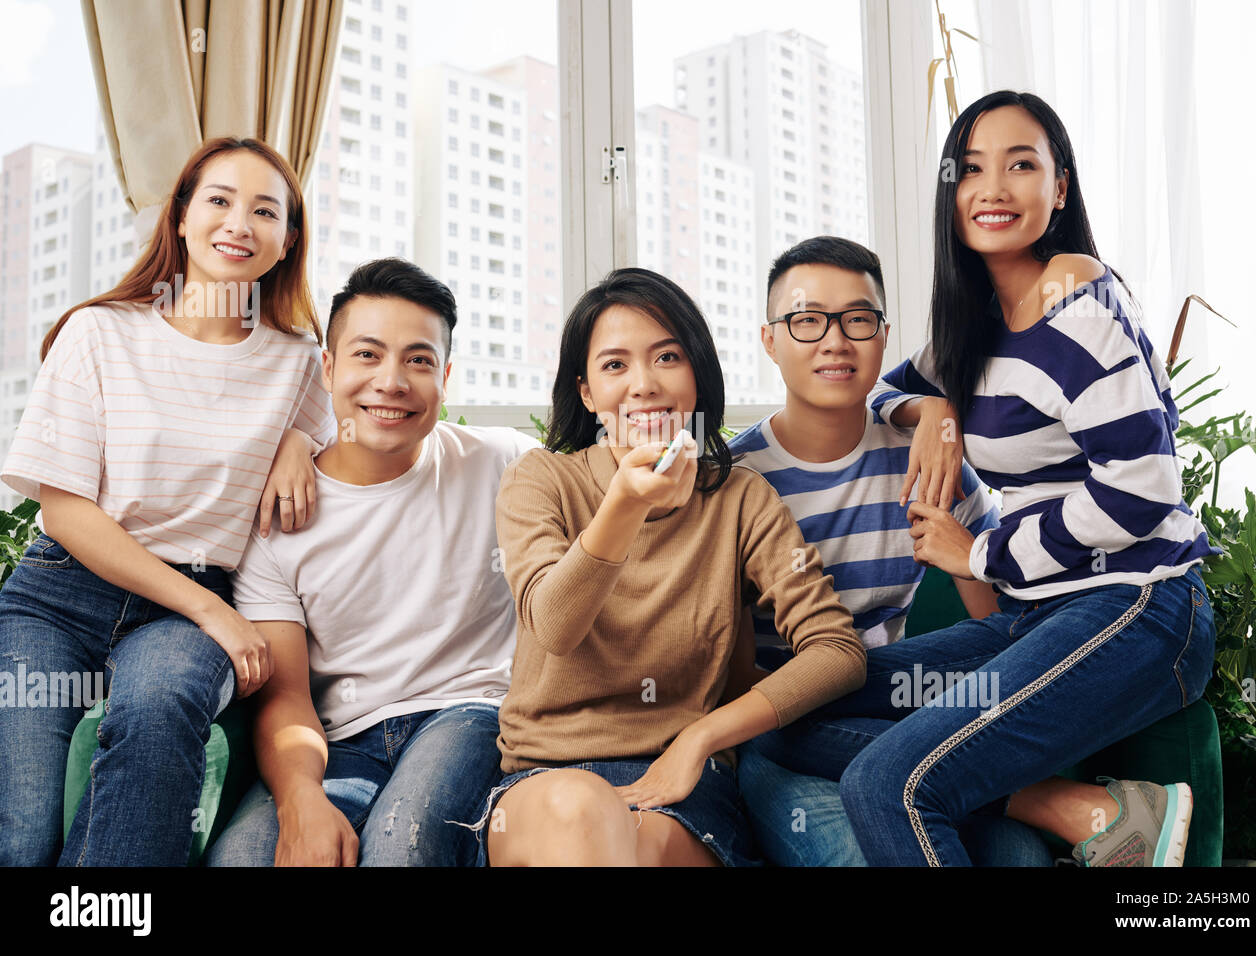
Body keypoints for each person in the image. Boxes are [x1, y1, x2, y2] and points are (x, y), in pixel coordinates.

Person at [832, 90, 1216, 866]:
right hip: (1039, 619)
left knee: (888, 784)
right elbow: (881, 391)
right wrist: (938, 410)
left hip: (1138, 607)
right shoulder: (973, 330)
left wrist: (979, 556)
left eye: (1021, 165)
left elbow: (1144, 491)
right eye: (971, 169)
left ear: (1060, 188)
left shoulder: (1077, 304)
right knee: (812, 701)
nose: (993, 189)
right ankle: (1093, 813)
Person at [0, 138, 333, 866]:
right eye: (218, 200)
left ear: (288, 240)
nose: (238, 223)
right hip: (62, 592)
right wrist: (217, 614)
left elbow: (339, 436)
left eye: (265, 210)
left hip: (183, 612)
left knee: (158, 713)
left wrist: (299, 442)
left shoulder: (301, 362)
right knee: (20, 835)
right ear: (181, 218)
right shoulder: (99, 332)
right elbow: (65, 511)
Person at [478, 267, 867, 867]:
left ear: (696, 374)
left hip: (684, 780)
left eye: (667, 357)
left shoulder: (741, 498)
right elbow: (554, 626)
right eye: (614, 366)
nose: (644, 385)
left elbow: (836, 651)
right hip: (546, 778)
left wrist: (701, 737)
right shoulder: (541, 480)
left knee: (644, 846)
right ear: (586, 393)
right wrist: (625, 506)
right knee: (584, 813)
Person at [728, 235, 1053, 866]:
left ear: (882, 335)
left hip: (898, 716)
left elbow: (994, 633)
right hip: (781, 733)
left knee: (1020, 860)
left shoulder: (927, 457)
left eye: (857, 319)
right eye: (805, 320)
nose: (834, 341)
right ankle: (1040, 799)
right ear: (770, 340)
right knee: (859, 856)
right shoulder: (739, 480)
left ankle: (1025, 804)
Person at [206, 258, 539, 867]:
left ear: (446, 377)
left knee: (400, 849)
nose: (392, 382)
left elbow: (610, 498)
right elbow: (285, 698)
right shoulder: (275, 519)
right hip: (341, 739)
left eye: (419, 360)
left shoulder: (505, 462)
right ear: (328, 369)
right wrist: (301, 798)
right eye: (367, 355)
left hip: (472, 713)